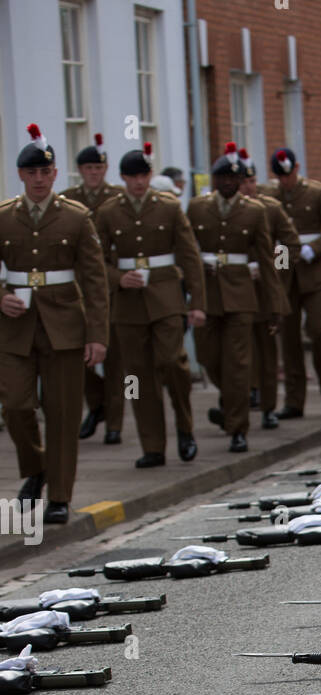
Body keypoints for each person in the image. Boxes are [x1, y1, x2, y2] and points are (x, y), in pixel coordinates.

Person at [0, 123, 108, 523]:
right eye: (33, 173)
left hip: (65, 325)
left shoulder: (76, 218)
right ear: (21, 176)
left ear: (55, 175)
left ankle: (60, 494)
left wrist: (98, 336)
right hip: (16, 327)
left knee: (62, 412)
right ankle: (36, 467)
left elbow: (96, 282)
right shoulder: (5, 218)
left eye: (46, 172)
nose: (40, 179)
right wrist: (2, 297)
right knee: (15, 405)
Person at [96, 142, 205, 468]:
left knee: (173, 363)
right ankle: (153, 446)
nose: (139, 182)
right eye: (132, 177)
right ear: (123, 178)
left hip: (166, 297)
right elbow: (96, 261)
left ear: (150, 175)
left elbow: (189, 256)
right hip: (129, 306)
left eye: (143, 175)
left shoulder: (169, 207)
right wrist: (117, 277)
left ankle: (185, 428)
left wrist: (197, 303)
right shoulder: (108, 212)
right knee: (138, 378)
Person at [187, 142, 282, 453]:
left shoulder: (254, 211)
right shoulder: (198, 208)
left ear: (240, 182)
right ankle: (231, 406)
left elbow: (267, 259)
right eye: (222, 177)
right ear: (215, 180)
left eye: (233, 178)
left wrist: (275, 303)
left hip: (242, 294)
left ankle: (238, 428)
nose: (228, 182)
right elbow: (188, 253)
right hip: (209, 294)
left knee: (239, 364)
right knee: (208, 357)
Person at [59, 132, 125, 444]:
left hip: (112, 286)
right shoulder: (68, 199)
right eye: (88, 168)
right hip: (77, 287)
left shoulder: (118, 197)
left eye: (98, 168)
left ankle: (115, 422)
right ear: (80, 171)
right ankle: (96, 405)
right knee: (78, 355)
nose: (93, 173)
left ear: (105, 169)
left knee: (113, 359)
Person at [270, 147, 321, 417]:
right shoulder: (271, 196)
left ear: (297, 169)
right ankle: (294, 400)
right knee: (289, 339)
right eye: (281, 177)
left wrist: (315, 247)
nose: (285, 181)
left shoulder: (316, 192)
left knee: (320, 330)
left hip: (314, 273)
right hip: (285, 274)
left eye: (288, 176)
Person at [238, 149, 297, 429]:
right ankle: (244, 396)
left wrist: (274, 269)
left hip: (263, 289)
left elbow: (289, 242)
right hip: (234, 287)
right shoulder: (221, 210)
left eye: (251, 182)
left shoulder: (270, 209)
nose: (247, 187)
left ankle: (268, 407)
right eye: (242, 182)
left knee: (266, 352)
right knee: (235, 350)